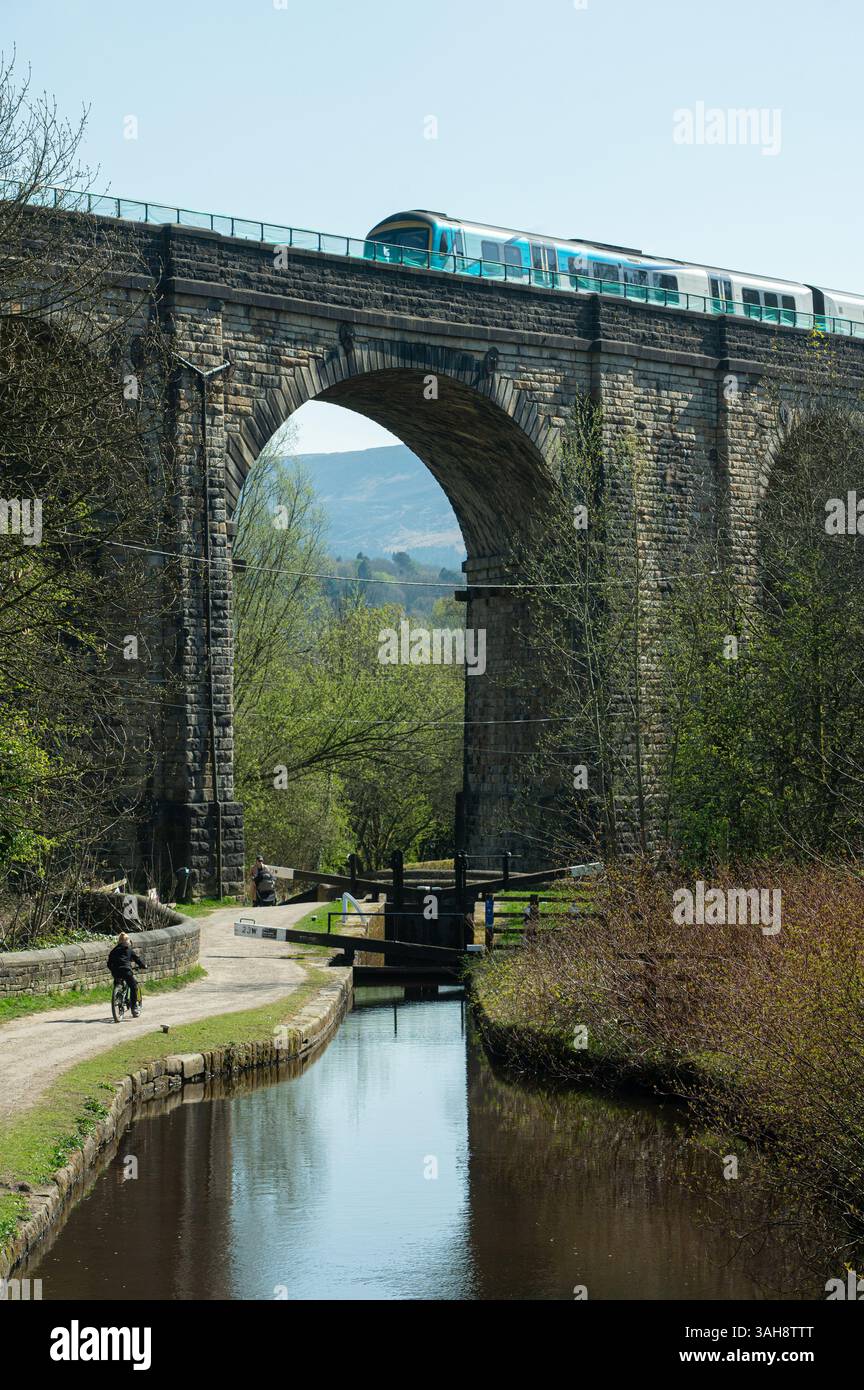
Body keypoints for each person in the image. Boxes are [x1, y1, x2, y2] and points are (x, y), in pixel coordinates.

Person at [107, 931, 146, 1017]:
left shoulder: (113, 951)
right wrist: (143, 966)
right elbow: (137, 959)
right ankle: (134, 1008)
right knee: (134, 986)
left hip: (116, 972)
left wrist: (113, 970)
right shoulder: (128, 949)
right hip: (126, 971)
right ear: (126, 941)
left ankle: (118, 999)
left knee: (118, 984)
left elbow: (109, 963)